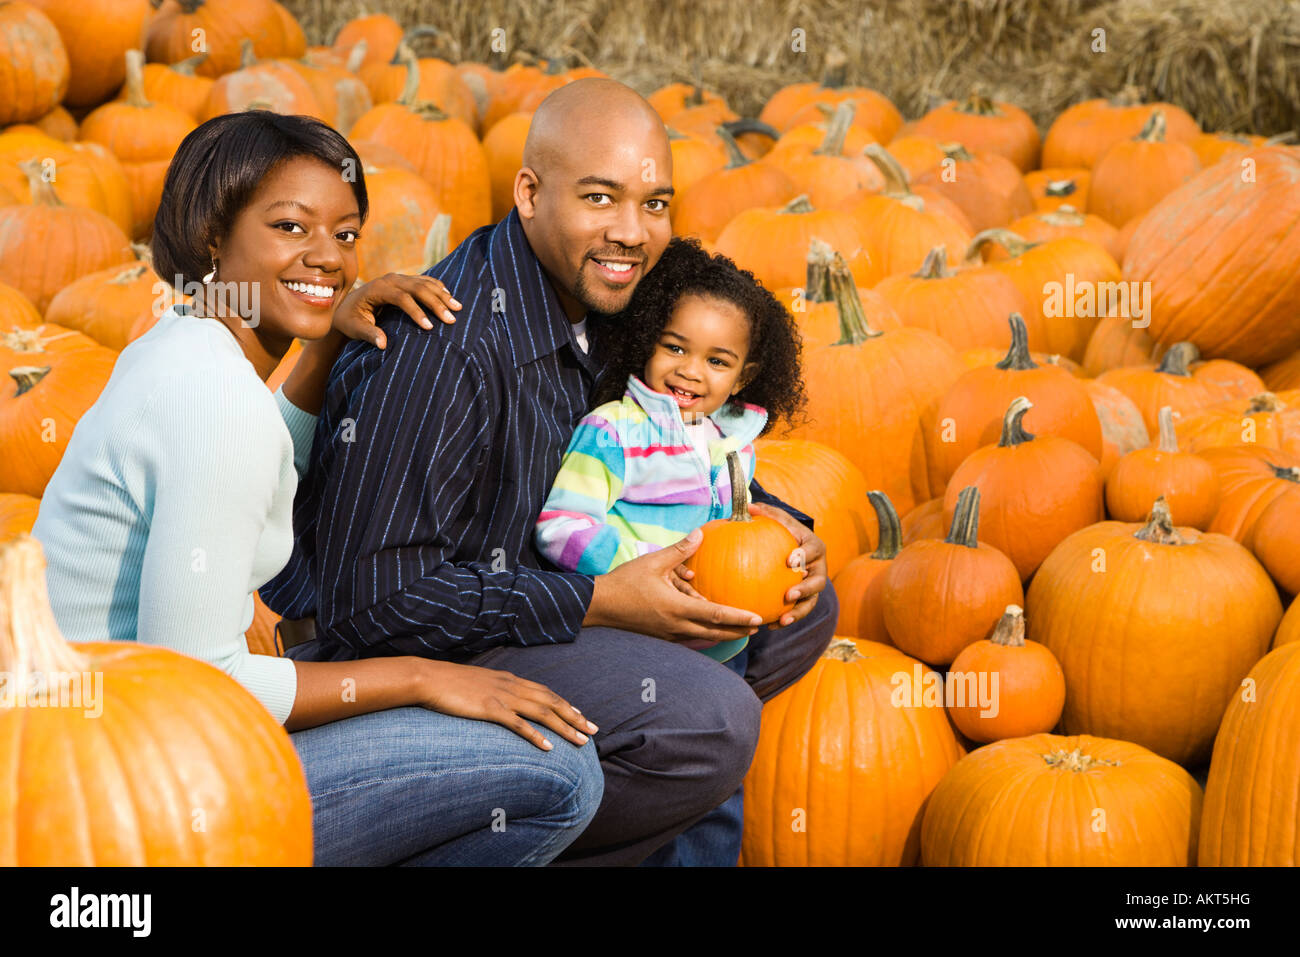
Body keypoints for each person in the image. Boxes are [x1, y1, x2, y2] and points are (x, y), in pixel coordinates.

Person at [261, 78, 838, 867]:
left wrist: (774, 527)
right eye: (600, 198)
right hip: (408, 659)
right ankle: (500, 824)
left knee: (794, 610)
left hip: (537, 594)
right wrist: (602, 602)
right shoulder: (443, 349)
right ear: (529, 193)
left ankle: (665, 810)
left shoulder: (616, 306)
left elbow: (663, 437)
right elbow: (375, 603)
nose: (632, 231)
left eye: (655, 203)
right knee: (707, 719)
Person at [31, 110, 603, 866]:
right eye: (291, 227)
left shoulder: (176, 345)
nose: (328, 257)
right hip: (126, 799)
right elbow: (202, 681)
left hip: (78, 750)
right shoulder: (214, 399)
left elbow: (260, 463)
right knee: (560, 770)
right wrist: (423, 676)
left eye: (345, 232)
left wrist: (325, 338)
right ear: (212, 237)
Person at [534, 236, 809, 668]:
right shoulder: (613, 432)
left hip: (721, 640)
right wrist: (652, 566)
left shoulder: (733, 443)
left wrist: (783, 560)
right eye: (675, 348)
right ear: (649, 341)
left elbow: (739, 537)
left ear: (742, 377)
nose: (690, 370)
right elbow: (561, 529)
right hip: (638, 638)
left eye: (717, 362)